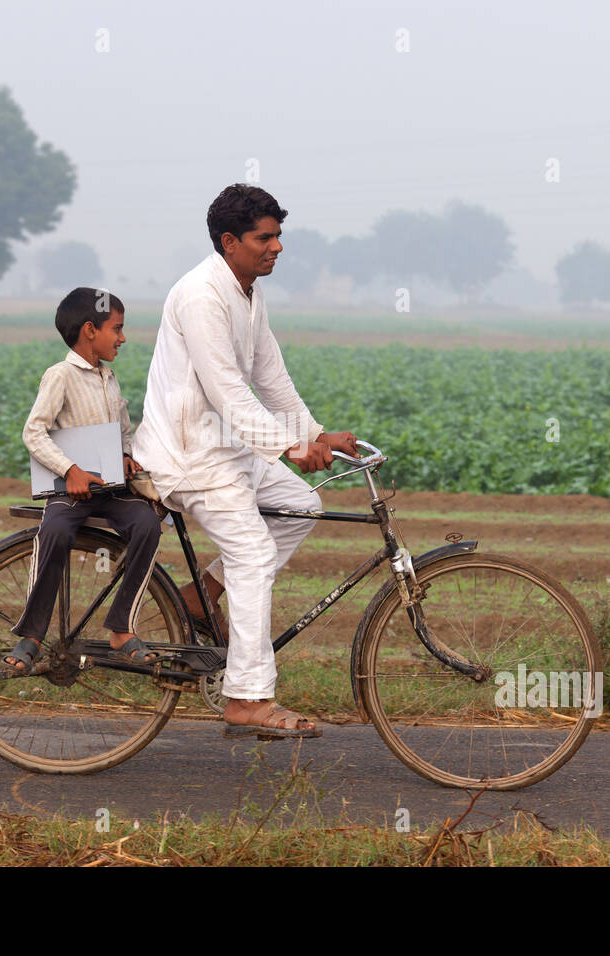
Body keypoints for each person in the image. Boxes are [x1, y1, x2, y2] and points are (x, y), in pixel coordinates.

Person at [133, 184, 358, 738]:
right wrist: (288, 446)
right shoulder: (201, 294)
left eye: (279, 235)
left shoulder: (248, 291)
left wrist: (316, 434)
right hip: (187, 453)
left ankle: (200, 595)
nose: (277, 246)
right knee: (254, 552)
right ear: (230, 241)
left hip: (225, 448)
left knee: (299, 503)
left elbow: (270, 375)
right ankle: (248, 698)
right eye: (265, 237)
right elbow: (229, 390)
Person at [5, 287, 163, 672]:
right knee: (54, 532)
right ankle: (32, 634)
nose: (123, 338)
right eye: (117, 329)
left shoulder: (109, 377)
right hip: (72, 492)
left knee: (148, 526)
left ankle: (122, 627)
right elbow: (33, 433)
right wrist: (70, 471)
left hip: (110, 489)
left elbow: (122, 430)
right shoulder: (60, 376)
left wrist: (125, 457)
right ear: (90, 330)